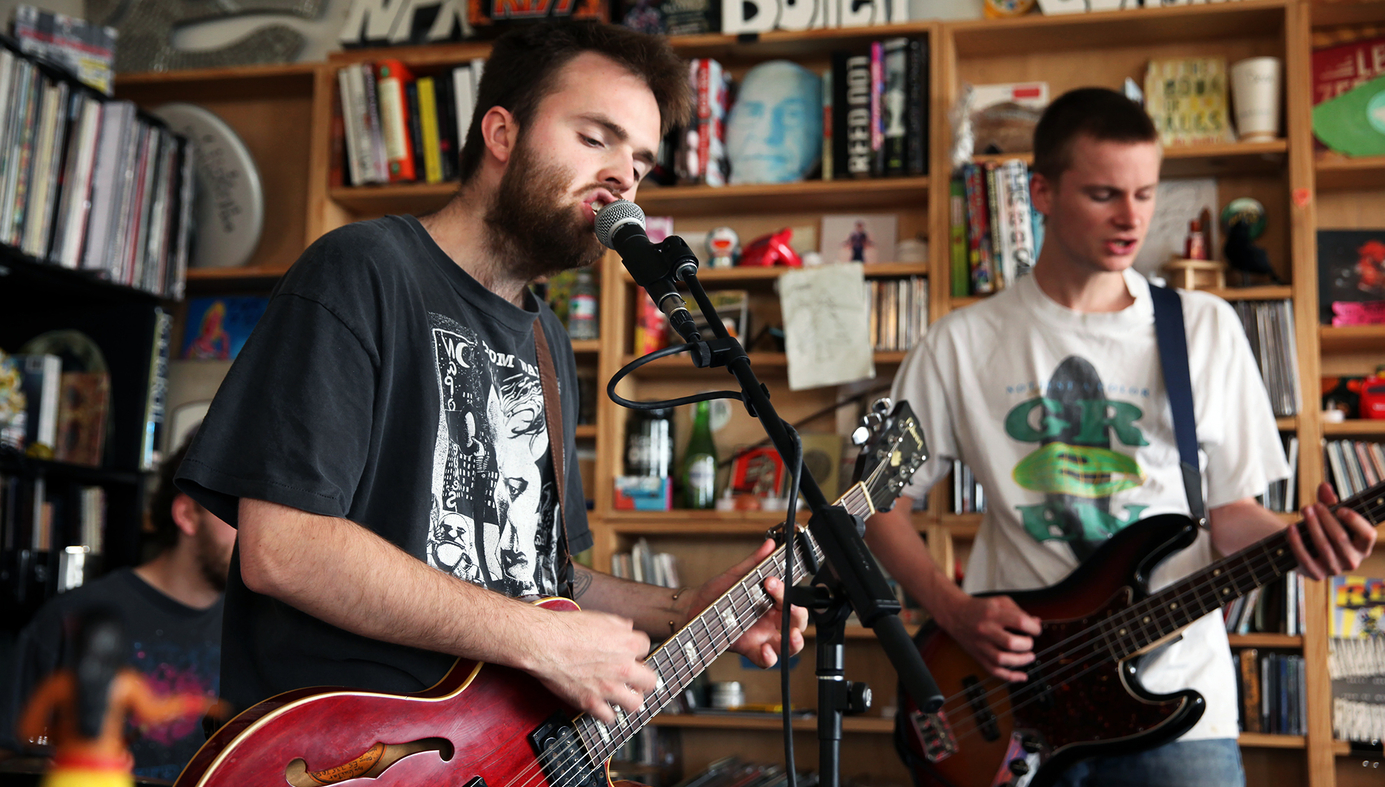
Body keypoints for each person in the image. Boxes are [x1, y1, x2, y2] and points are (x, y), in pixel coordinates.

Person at [174, 20, 807, 726]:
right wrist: (539, 640)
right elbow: (284, 547)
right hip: (350, 762)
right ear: (501, 135)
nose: (623, 176)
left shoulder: (548, 342)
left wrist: (686, 608)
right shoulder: (363, 271)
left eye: (641, 161)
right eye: (596, 137)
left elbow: (539, 579)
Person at [865, 87, 1377, 786]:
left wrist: (1304, 541)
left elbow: (1230, 515)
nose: (1132, 218)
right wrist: (951, 609)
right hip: (1015, 698)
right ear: (1040, 191)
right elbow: (874, 504)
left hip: (1176, 700)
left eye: (1145, 193)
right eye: (1105, 193)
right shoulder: (961, 342)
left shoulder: (1204, 327)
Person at [1, 437, 235, 782]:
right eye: (237, 513)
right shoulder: (74, 615)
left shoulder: (258, 633)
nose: (260, 535)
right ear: (187, 514)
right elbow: (13, 745)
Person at [16, 607, 224, 787]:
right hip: (109, 775)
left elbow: (28, 732)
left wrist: (68, 737)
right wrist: (198, 703)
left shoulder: (60, 683)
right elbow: (155, 713)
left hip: (68, 772)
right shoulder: (124, 684)